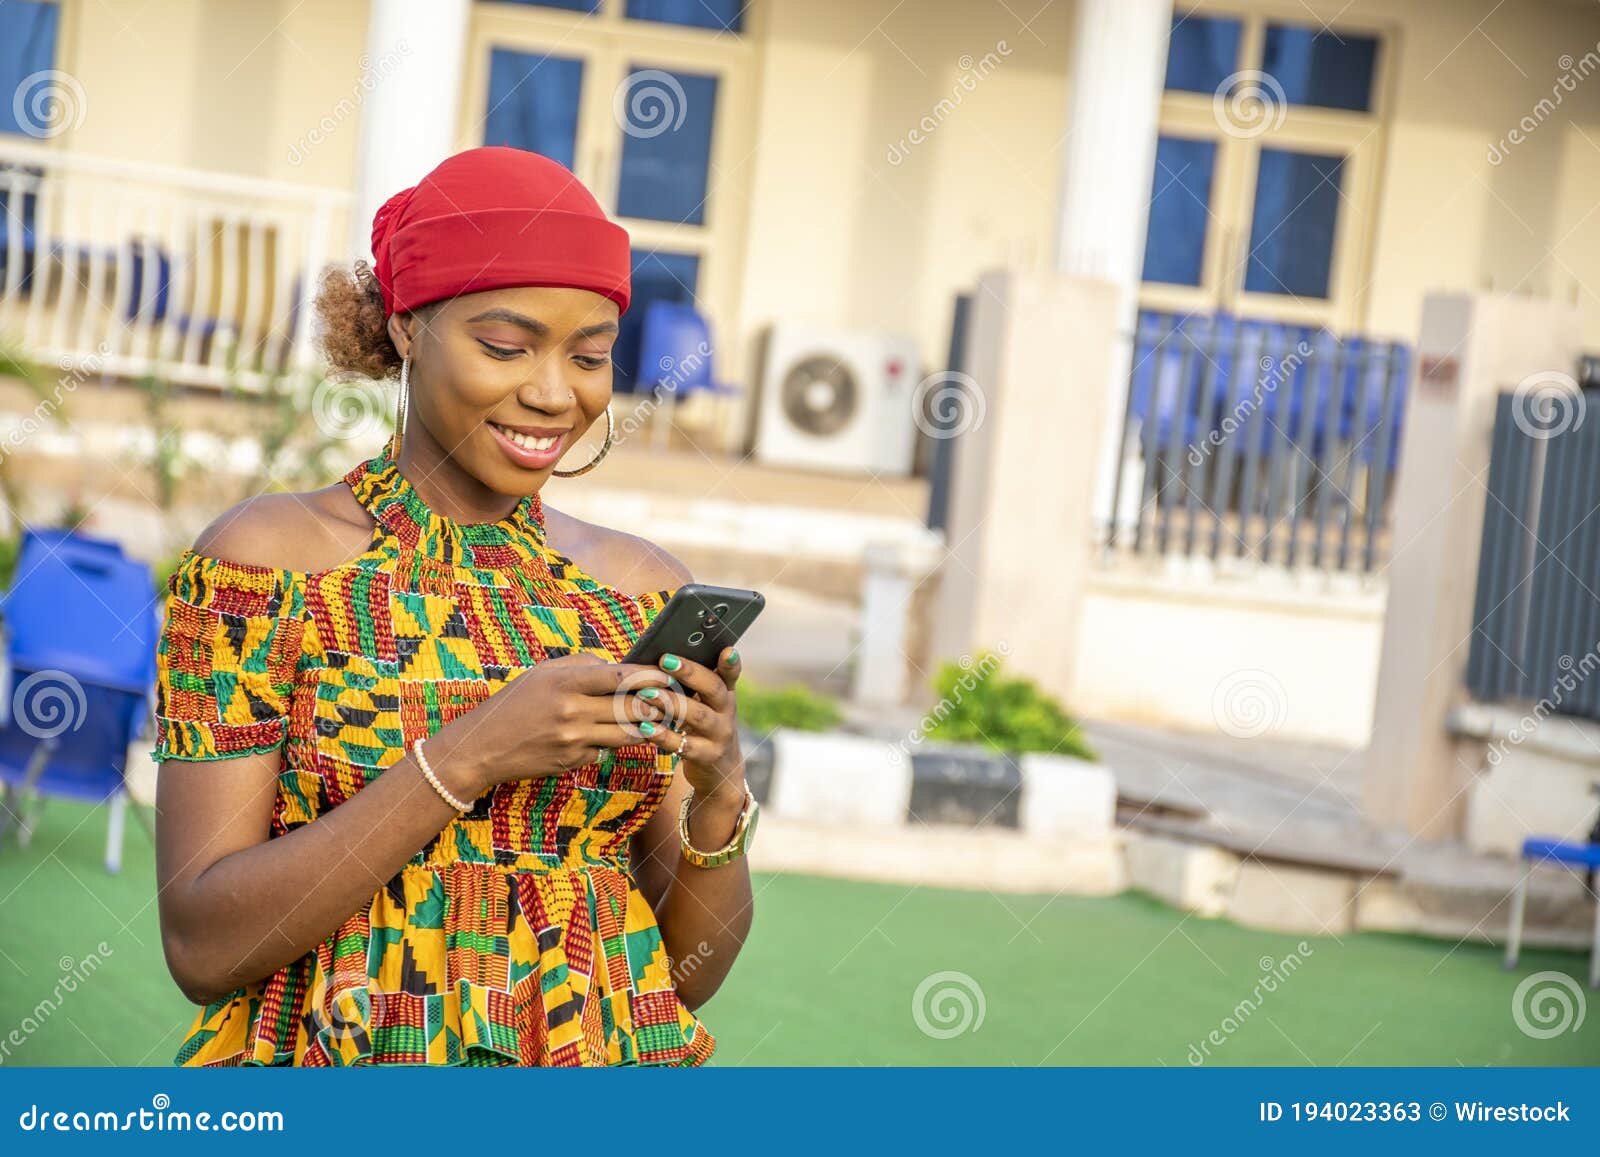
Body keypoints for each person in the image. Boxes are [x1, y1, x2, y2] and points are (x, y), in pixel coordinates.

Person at [150, 146, 756, 1067]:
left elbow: (685, 973)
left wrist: (719, 789)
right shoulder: (267, 567)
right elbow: (202, 947)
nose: (553, 393)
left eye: (591, 356)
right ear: (405, 326)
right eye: (506, 347)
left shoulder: (637, 591)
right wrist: (471, 754)